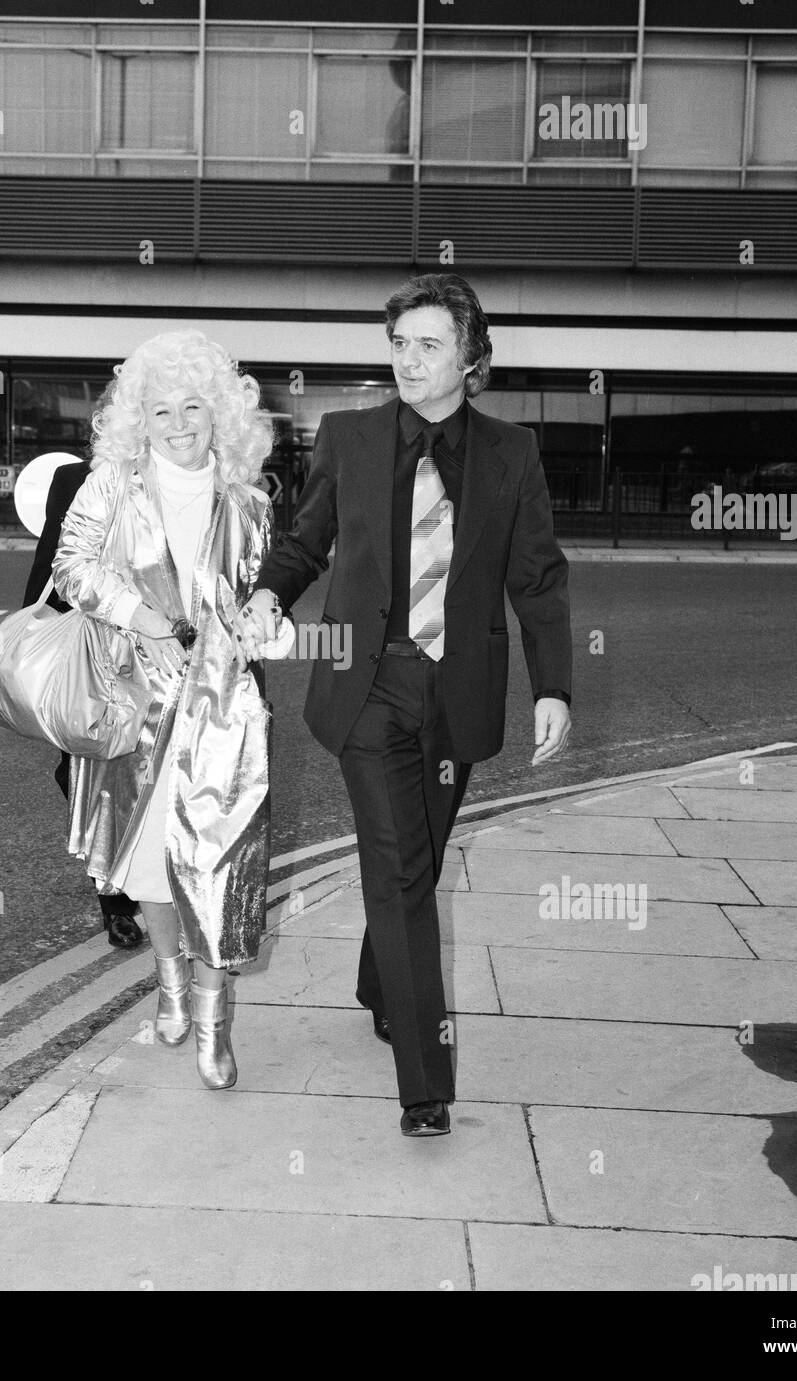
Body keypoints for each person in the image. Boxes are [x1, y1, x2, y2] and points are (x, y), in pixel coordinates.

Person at [237, 274, 573, 1137]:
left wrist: (555, 687)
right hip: (369, 684)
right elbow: (305, 539)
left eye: (429, 345)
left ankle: (380, 980)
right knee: (399, 872)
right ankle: (425, 1082)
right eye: (399, 344)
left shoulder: (512, 453)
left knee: (414, 862)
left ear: (471, 358)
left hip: (459, 692)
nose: (409, 360)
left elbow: (536, 577)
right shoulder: (349, 436)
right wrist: (272, 593)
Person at [52, 330, 277, 1089]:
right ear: (136, 421)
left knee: (218, 866)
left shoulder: (248, 503)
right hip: (137, 706)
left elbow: (260, 603)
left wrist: (265, 630)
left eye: (193, 408)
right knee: (148, 867)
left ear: (220, 415)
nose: (179, 424)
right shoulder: (113, 486)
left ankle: (213, 1018)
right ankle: (170, 980)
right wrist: (147, 621)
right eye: (160, 412)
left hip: (220, 713)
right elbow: (69, 565)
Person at [22, 431, 143, 950]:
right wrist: (32, 630)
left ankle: (156, 879)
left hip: (160, 651)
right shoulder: (74, 480)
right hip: (90, 654)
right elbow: (51, 561)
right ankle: (114, 899)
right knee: (92, 769)